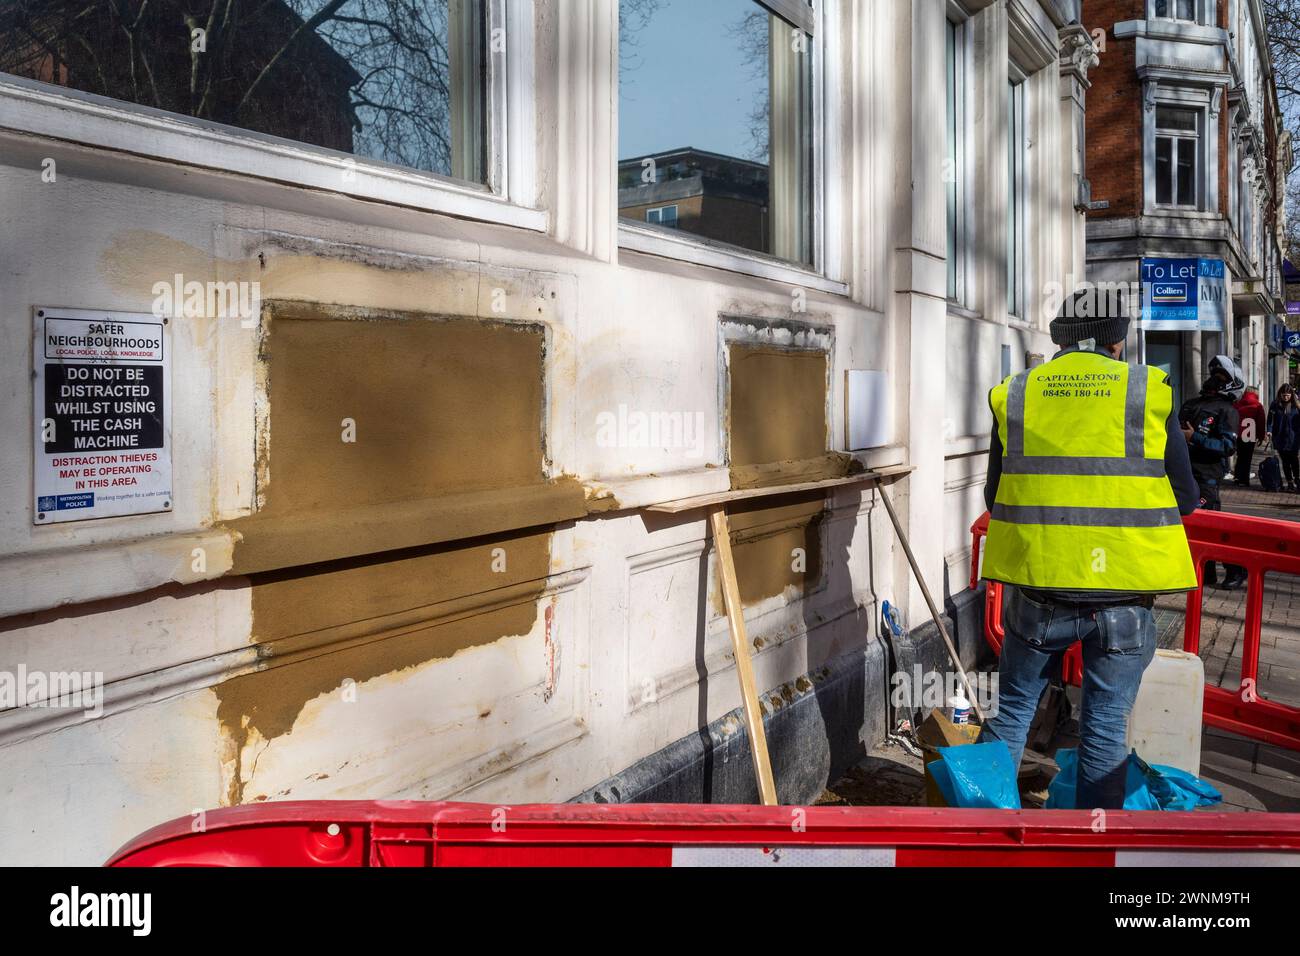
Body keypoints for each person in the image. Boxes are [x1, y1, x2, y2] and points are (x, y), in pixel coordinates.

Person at [978, 290, 1198, 810]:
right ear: (1117, 341)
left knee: (1011, 712)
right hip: (1121, 594)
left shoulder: (1017, 393)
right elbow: (1185, 498)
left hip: (1039, 587)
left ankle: (980, 838)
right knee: (1103, 728)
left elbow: (995, 494)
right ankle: (1095, 847)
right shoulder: (1146, 391)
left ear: (1060, 339)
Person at [1179, 356, 1245, 589]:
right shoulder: (1190, 404)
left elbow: (1227, 447)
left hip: (1207, 476)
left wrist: (1194, 437)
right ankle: (1204, 574)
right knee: (1190, 526)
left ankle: (1236, 569)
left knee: (1212, 527)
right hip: (1183, 473)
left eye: (1220, 378)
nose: (1213, 381)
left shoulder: (1227, 410)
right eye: (1213, 376)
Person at [1269, 383, 1300, 492]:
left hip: (1294, 438)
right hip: (1280, 438)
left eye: (1288, 395)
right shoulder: (1275, 405)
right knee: (1285, 462)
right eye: (1284, 395)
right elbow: (1270, 420)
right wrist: (1269, 432)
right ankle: (1290, 482)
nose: (1286, 397)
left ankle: (1297, 480)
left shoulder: (1296, 406)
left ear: (1291, 394)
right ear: (1280, 395)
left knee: (1295, 461)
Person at [1233, 387, 1266, 487]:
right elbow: (1260, 422)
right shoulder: (1257, 405)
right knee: (1247, 458)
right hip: (1250, 433)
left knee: (1240, 456)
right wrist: (1261, 436)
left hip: (1238, 433)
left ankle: (1237, 477)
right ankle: (1244, 479)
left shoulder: (1237, 404)